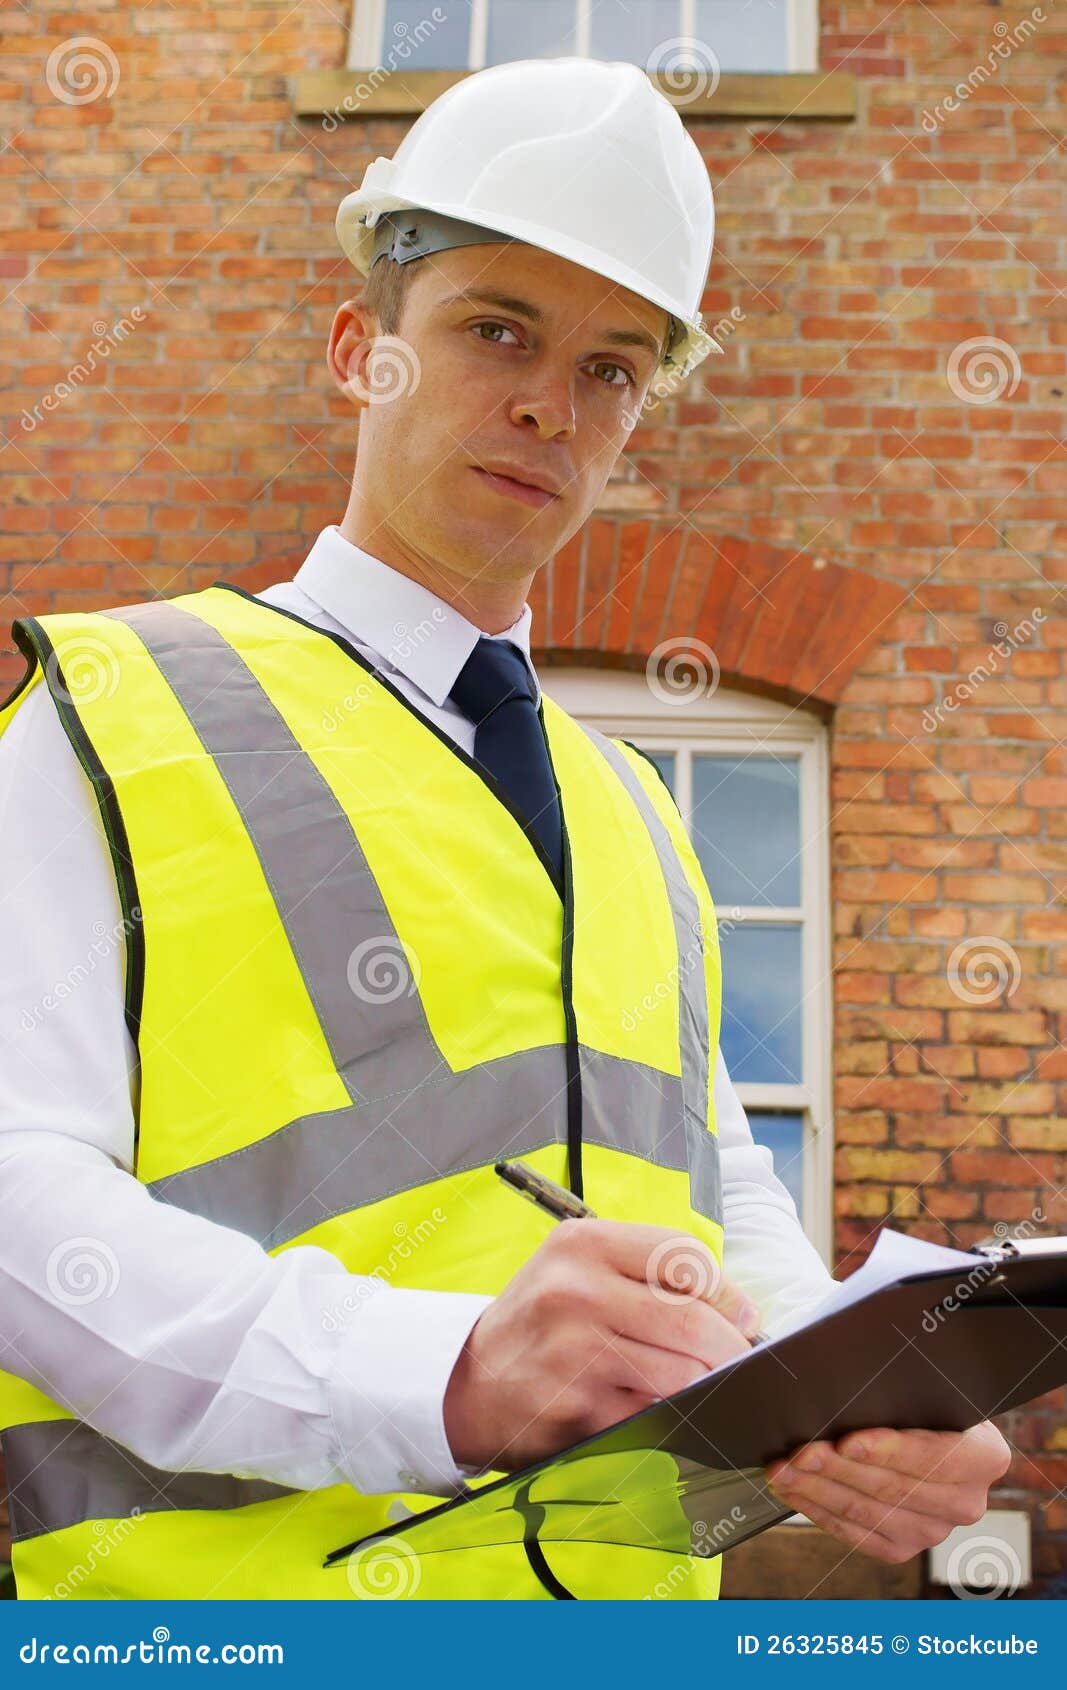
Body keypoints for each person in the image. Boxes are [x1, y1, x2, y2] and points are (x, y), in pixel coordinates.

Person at [0, 57, 1008, 1602]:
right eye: (495, 330)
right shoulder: (117, 713)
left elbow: (716, 1184)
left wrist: (850, 1395)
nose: (551, 401)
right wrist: (439, 1367)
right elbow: (20, 1194)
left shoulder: (634, 817)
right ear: (360, 349)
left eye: (615, 366)